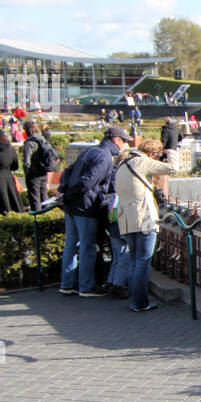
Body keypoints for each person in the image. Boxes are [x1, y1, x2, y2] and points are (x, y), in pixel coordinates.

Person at [59, 127, 127, 297]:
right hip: (86, 206)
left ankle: (67, 284)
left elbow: (68, 171)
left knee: (71, 245)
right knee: (87, 246)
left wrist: (64, 193)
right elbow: (88, 181)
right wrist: (70, 195)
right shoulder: (105, 157)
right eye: (124, 141)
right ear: (116, 140)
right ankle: (86, 286)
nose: (125, 145)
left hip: (72, 206)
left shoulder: (90, 150)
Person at [113, 137, 176, 312]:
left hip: (126, 220)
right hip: (144, 219)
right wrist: (171, 152)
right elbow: (172, 168)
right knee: (143, 260)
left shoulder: (121, 165)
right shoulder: (142, 162)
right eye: (155, 156)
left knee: (134, 260)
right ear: (151, 153)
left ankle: (134, 300)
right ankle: (140, 302)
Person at [22, 125, 59, 209]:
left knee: (34, 197)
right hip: (43, 171)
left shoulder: (29, 143)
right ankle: (46, 215)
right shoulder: (42, 140)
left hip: (33, 174)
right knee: (44, 195)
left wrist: (27, 173)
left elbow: (26, 161)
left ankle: (37, 217)